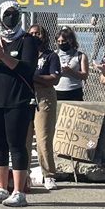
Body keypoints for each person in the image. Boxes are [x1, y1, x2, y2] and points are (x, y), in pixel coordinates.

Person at [0, 2, 38, 208]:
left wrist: (3, 57)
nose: (11, 17)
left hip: (18, 100)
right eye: (7, 14)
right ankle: (1, 188)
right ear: (0, 16)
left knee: (17, 145)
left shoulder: (27, 40)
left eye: (14, 14)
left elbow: (27, 69)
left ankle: (19, 192)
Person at [28, 24, 61, 191]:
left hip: (44, 97)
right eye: (32, 33)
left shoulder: (51, 56)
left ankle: (48, 175)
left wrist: (34, 77)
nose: (35, 36)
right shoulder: (25, 54)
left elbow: (54, 79)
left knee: (43, 138)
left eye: (38, 33)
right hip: (25, 96)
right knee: (23, 138)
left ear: (43, 36)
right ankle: (24, 174)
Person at [53, 26, 88, 101]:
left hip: (74, 91)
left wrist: (70, 71)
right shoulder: (54, 55)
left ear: (70, 40)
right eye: (58, 41)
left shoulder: (80, 56)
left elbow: (85, 75)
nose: (61, 43)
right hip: (57, 90)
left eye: (63, 41)